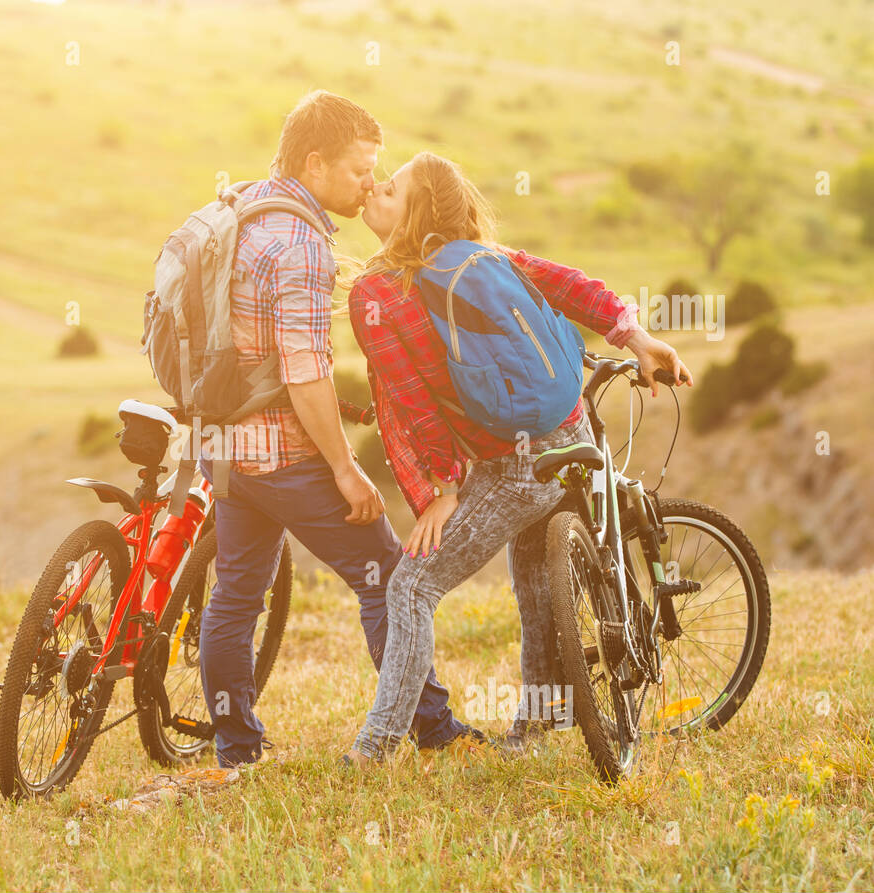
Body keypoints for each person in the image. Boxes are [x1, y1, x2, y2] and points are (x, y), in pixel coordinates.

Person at [341, 152, 693, 765]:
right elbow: (571, 286)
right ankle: (541, 725)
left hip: (515, 466)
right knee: (534, 585)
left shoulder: (383, 292)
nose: (375, 189)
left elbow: (413, 399)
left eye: (390, 189)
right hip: (570, 429)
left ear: (416, 214)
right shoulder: (489, 258)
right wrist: (638, 339)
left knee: (411, 586)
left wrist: (443, 487)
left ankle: (375, 749)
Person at [197, 91, 479, 767]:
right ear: (315, 162)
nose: (368, 183)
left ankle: (236, 747)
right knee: (388, 574)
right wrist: (346, 470)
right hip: (285, 458)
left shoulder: (242, 205)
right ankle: (431, 725)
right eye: (359, 169)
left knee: (235, 595)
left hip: (225, 448)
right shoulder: (301, 244)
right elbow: (304, 373)